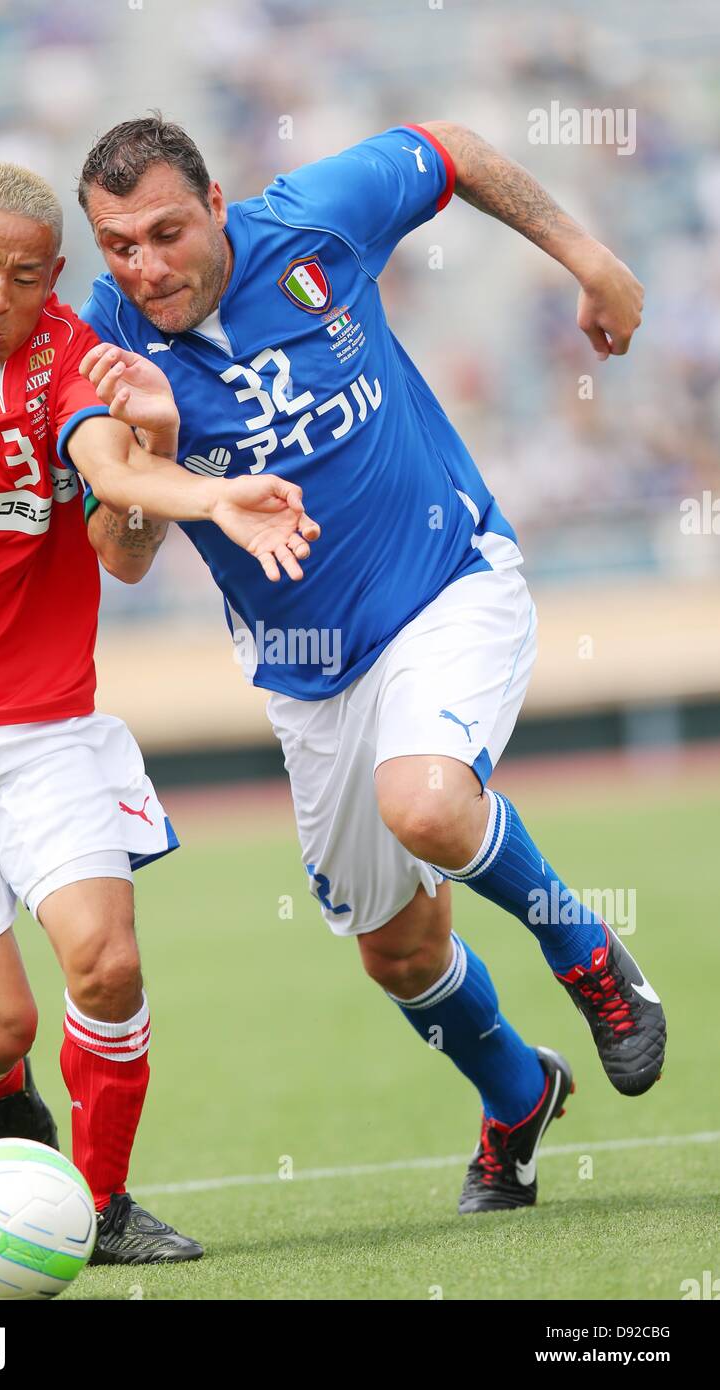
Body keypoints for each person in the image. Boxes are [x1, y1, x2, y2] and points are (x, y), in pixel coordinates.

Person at [75, 114, 667, 1214]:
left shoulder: (316, 218)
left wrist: (589, 258)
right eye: (118, 245)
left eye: (166, 231)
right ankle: (516, 1097)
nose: (145, 266)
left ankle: (588, 959)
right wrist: (152, 447)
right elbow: (120, 556)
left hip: (448, 581)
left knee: (427, 803)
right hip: (309, 674)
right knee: (398, 953)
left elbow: (450, 149)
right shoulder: (97, 349)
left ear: (216, 205)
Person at [0, 160, 318, 1268]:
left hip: (43, 720)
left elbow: (113, 506)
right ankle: (3, 1098)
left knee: (105, 963)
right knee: (0, 1024)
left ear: (53, 276)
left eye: (23, 276)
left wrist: (183, 475)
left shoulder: (67, 350)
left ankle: (98, 1207)